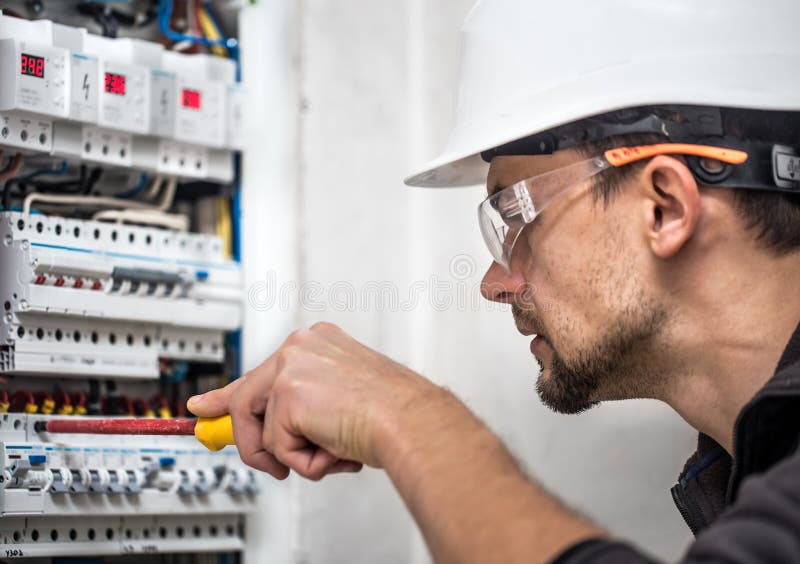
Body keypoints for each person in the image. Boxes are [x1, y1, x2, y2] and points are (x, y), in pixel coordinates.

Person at [188, 1, 800, 561]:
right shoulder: (748, 477)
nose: (494, 282)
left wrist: (406, 415)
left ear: (663, 206)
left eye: (515, 216)